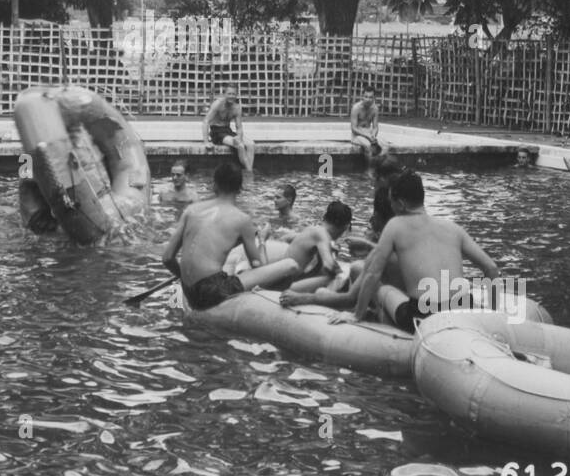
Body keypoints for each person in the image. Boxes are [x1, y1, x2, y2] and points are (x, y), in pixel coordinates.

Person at [288, 171, 501, 333]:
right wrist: (492, 316)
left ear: (399, 204)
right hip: (463, 307)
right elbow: (491, 268)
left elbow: (372, 274)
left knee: (381, 290)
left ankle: (378, 324)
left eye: (391, 200)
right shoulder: (452, 227)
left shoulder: (396, 225)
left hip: (425, 314)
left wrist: (356, 315)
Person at [162, 162, 302, 310]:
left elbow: (167, 258)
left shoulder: (190, 210)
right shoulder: (242, 220)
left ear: (214, 185)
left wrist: (184, 278)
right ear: (240, 189)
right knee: (290, 265)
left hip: (189, 291)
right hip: (211, 292)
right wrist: (261, 240)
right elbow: (258, 265)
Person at [347, 152, 409, 256]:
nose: (373, 182)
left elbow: (400, 251)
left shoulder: (388, 199)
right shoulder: (390, 195)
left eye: (375, 178)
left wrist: (367, 244)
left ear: (384, 178)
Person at [203, 87, 254, 172]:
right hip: (217, 132)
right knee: (240, 146)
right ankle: (250, 173)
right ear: (225, 94)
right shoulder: (218, 104)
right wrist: (206, 142)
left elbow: (239, 127)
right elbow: (206, 121)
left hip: (227, 130)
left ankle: (249, 169)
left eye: (233, 94)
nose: (231, 96)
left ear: (236, 95)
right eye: (229, 94)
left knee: (251, 145)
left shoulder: (237, 108)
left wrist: (239, 136)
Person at [350, 88, 382, 163]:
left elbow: (375, 127)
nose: (368, 99)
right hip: (357, 135)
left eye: (370, 97)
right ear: (362, 97)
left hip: (369, 132)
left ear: (374, 98)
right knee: (369, 146)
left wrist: (374, 134)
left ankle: (380, 168)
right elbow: (353, 128)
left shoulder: (375, 109)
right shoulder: (356, 108)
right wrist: (367, 136)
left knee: (385, 145)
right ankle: (369, 171)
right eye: (366, 97)